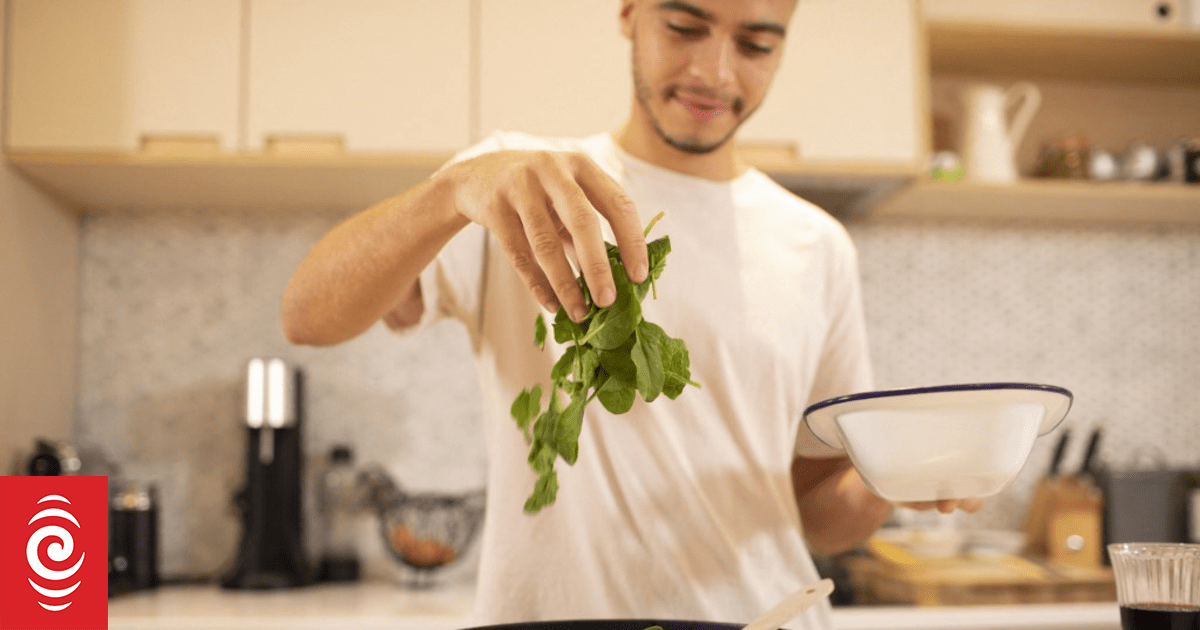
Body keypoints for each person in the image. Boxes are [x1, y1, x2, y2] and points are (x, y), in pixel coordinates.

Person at [282, 0, 980, 626]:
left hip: (762, 619)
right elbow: (307, 316)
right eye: (684, 27)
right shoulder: (520, 187)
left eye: (757, 45)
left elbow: (817, 515)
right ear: (628, 13)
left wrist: (896, 477)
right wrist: (450, 191)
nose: (714, 71)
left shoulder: (817, 246)